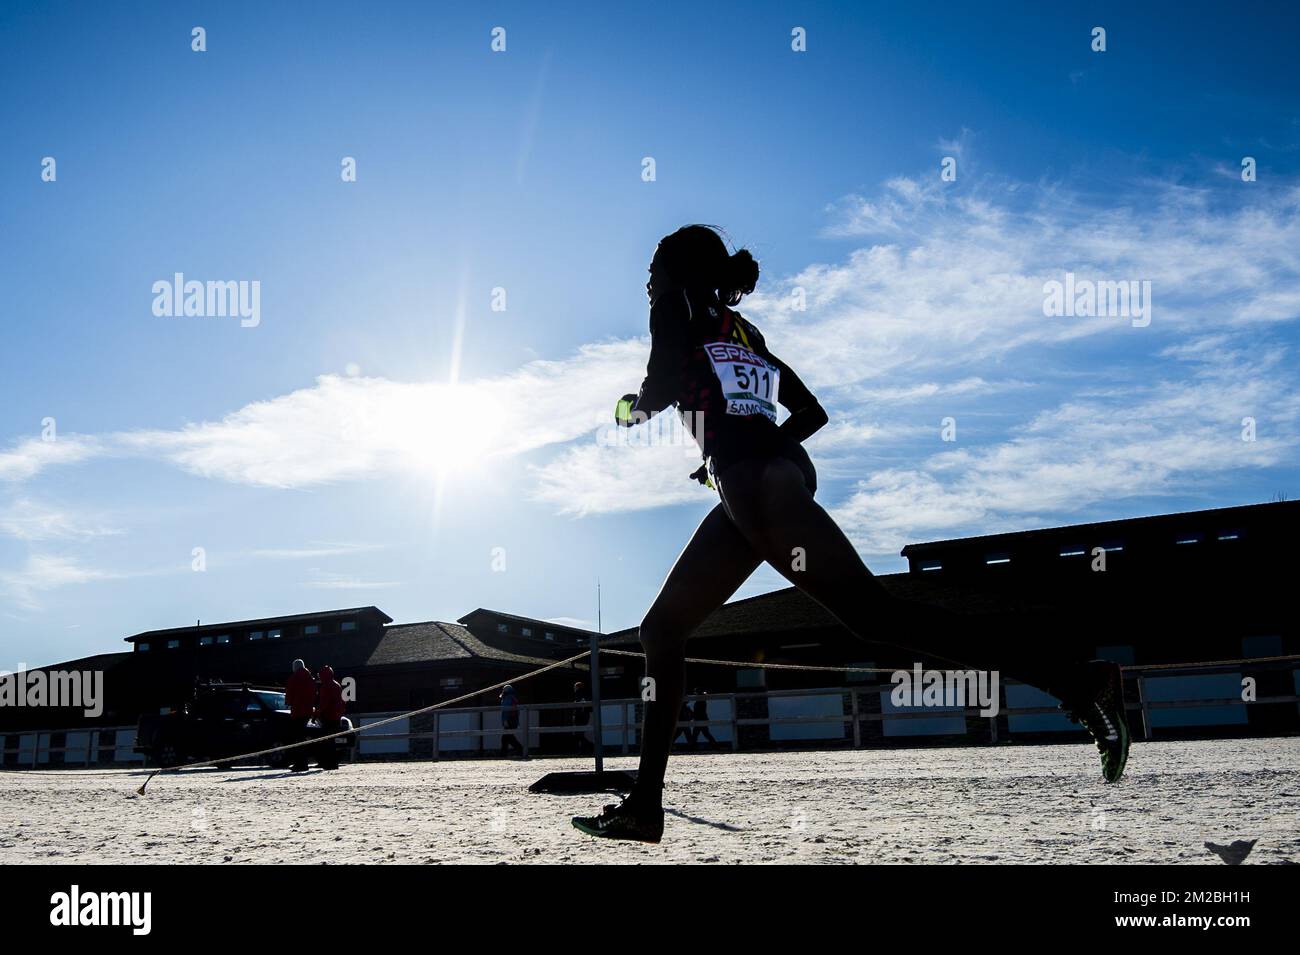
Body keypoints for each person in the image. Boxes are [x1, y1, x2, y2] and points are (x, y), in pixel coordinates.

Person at [572, 225, 1130, 843]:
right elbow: (810, 412)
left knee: (877, 617)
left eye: (653, 266)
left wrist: (630, 410)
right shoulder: (747, 334)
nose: (647, 278)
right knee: (662, 629)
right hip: (769, 478)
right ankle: (644, 807)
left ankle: (1078, 681)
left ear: (675, 269)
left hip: (754, 484)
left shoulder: (670, 305)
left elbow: (664, 386)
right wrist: (742, 453)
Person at [285, 659, 316, 773]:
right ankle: (303, 762)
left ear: (295, 667)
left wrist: (289, 703)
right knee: (302, 737)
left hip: (298, 711)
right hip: (307, 711)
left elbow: (289, 695)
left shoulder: (294, 678)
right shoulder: (310, 678)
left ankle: (300, 763)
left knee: (297, 738)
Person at [315, 665, 346, 770]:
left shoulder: (326, 686)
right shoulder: (337, 685)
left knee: (326, 741)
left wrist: (316, 715)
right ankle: (332, 762)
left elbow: (323, 703)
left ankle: (327, 763)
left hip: (328, 717)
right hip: (336, 717)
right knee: (333, 741)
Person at [499, 684, 524, 757]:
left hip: (509, 721)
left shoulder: (507, 698)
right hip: (514, 721)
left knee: (507, 737)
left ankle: (520, 750)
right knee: (507, 737)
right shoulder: (513, 698)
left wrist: (505, 721)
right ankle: (504, 753)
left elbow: (506, 711)